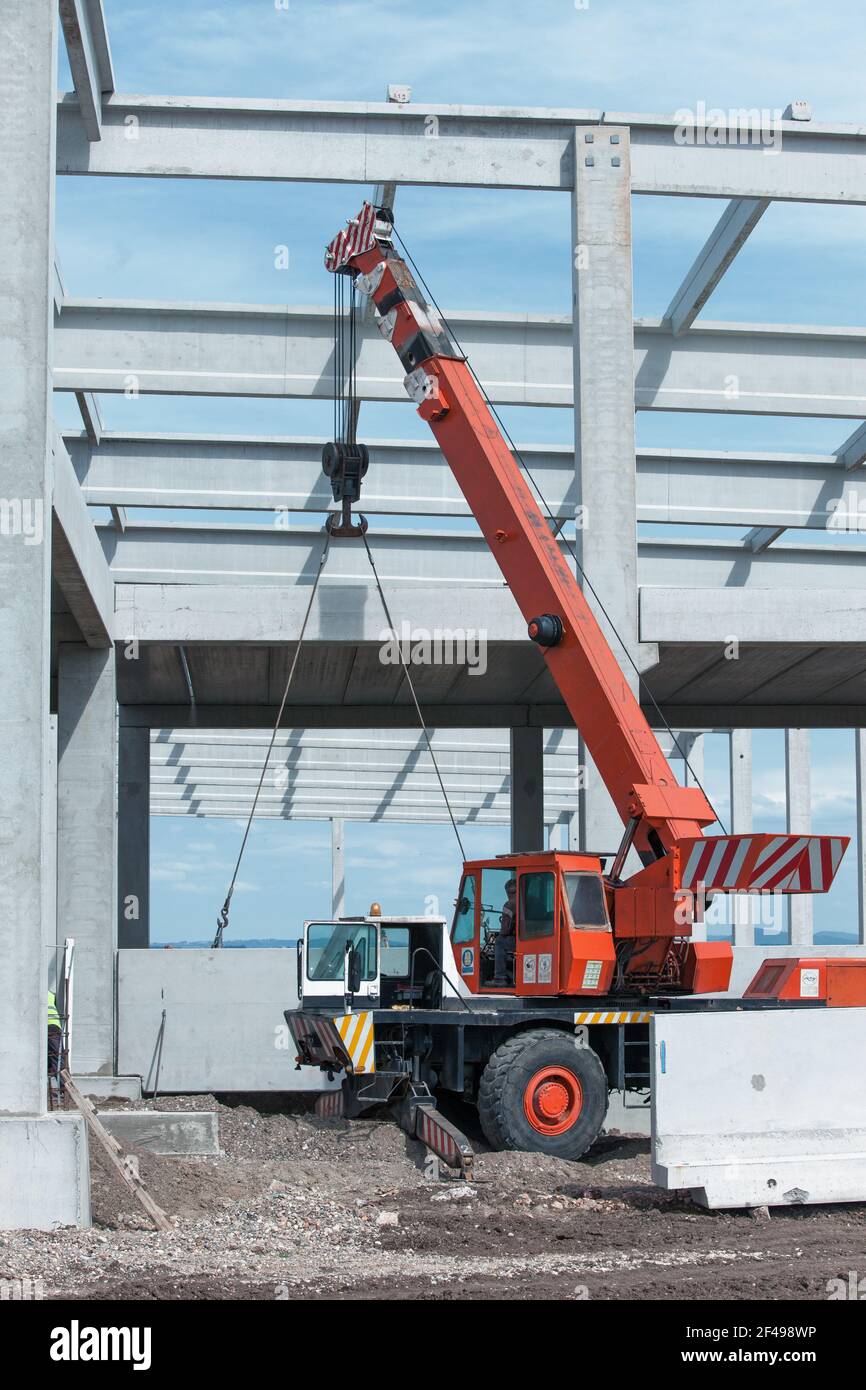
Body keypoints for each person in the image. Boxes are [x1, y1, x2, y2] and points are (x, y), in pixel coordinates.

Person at [491, 879, 517, 986]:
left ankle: (499, 977)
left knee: (500, 942)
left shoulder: (509, 905)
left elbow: (505, 930)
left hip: (518, 941)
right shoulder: (533, 900)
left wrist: (499, 934)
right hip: (534, 939)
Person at [47, 990, 62, 1081]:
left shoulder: (37, 992)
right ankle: (63, 1086)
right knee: (58, 1055)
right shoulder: (51, 994)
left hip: (48, 1025)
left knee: (56, 1057)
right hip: (56, 1026)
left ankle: (63, 1085)